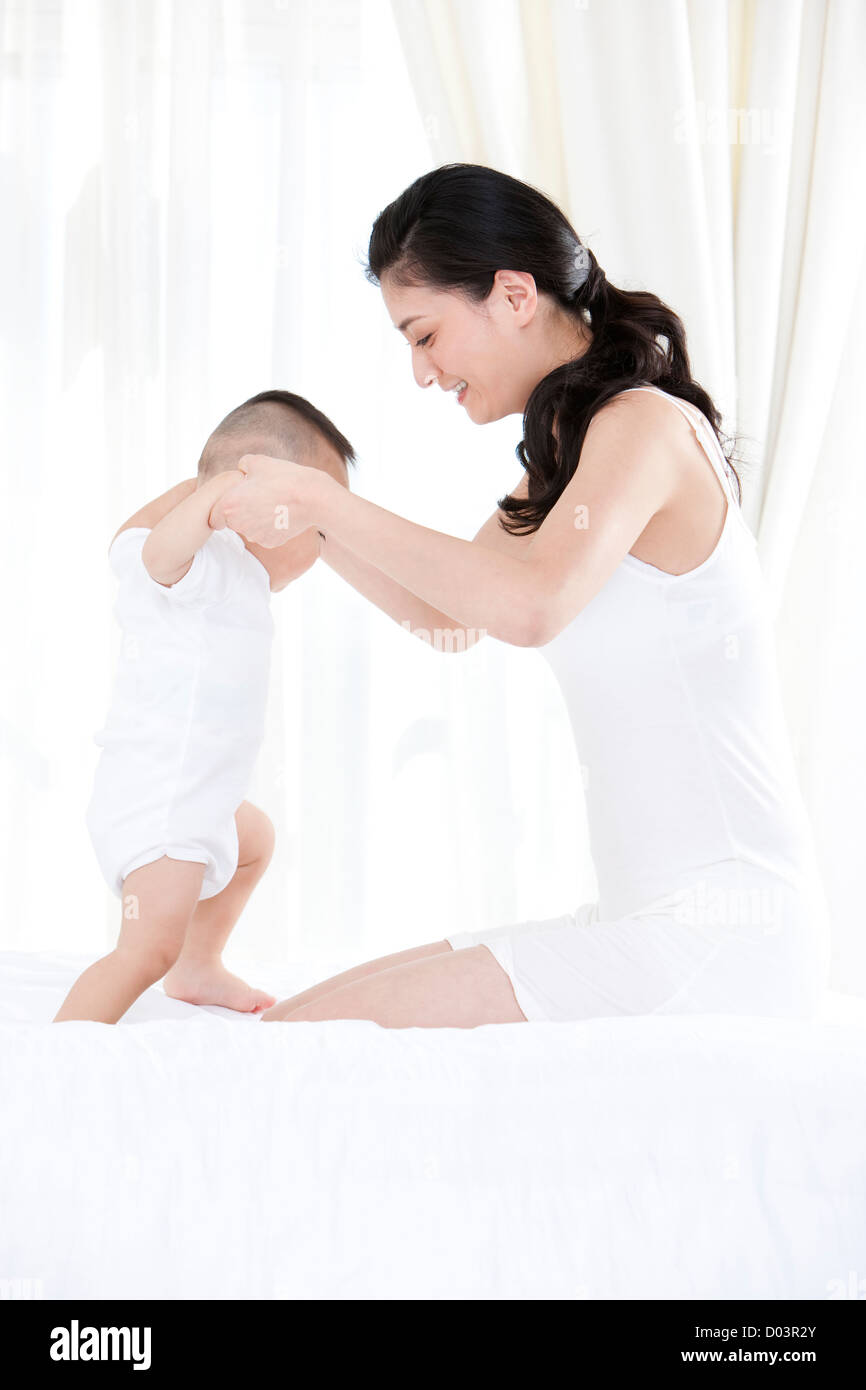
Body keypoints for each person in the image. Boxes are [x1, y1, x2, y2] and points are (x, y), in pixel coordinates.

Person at [212, 163, 830, 1029]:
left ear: (511, 293)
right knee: (287, 1028)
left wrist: (326, 501)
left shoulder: (642, 426)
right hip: (648, 927)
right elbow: (452, 618)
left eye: (424, 335)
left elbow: (529, 606)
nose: (422, 373)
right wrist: (312, 527)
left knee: (307, 1045)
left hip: (723, 942)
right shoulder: (570, 459)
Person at [54, 390, 354, 1023]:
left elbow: (126, 539)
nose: (327, 543)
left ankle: (198, 965)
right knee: (144, 948)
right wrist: (218, 488)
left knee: (255, 840)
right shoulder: (206, 566)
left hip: (194, 791)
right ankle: (60, 1053)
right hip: (162, 798)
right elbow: (152, 552)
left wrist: (217, 486)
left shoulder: (230, 574)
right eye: (320, 523)